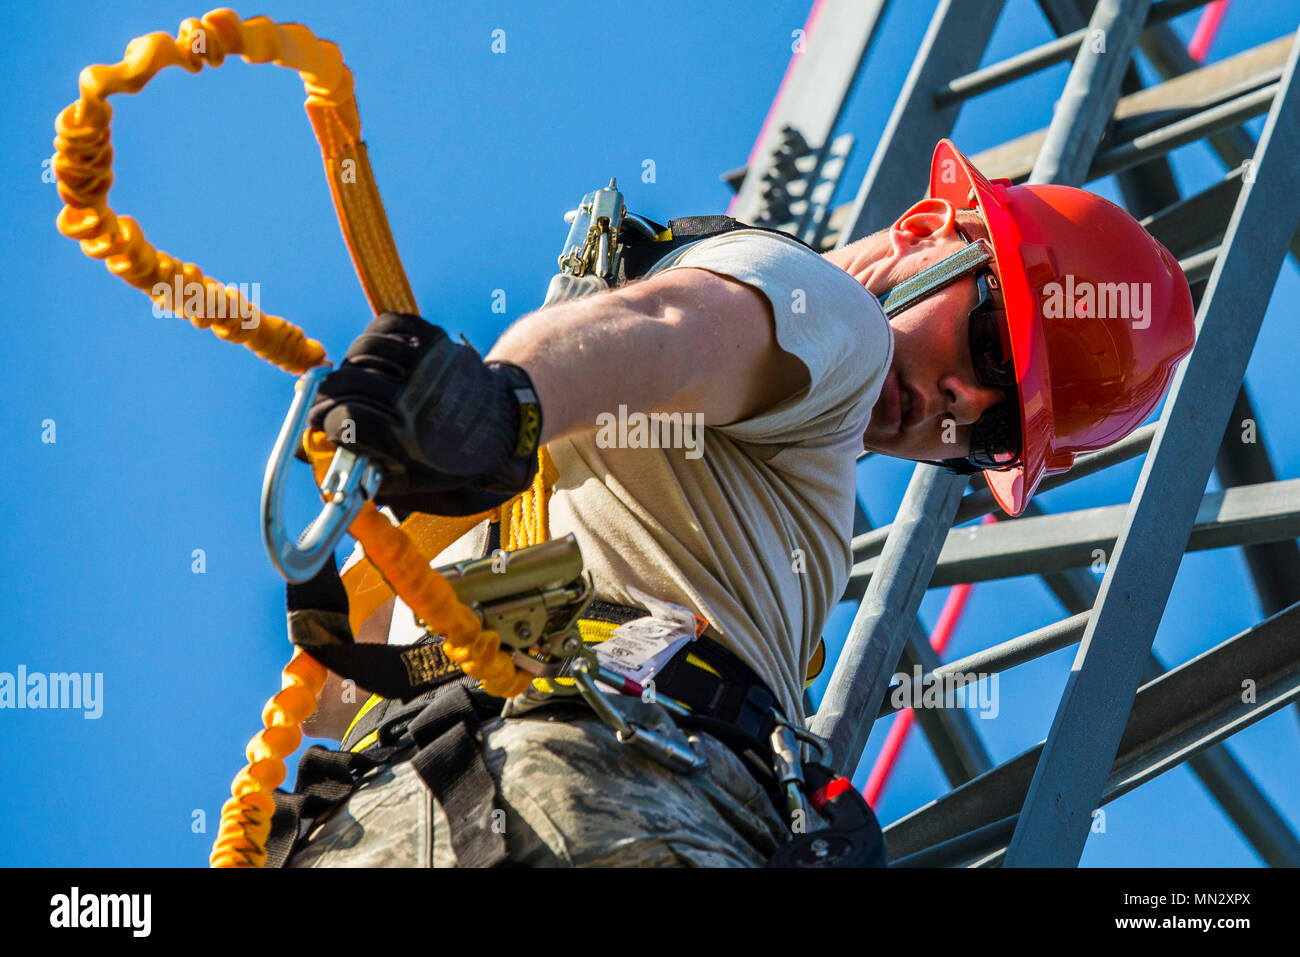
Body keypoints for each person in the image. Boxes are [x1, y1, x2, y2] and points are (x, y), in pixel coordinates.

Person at [282, 139, 1195, 867]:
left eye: (995, 433)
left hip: (383, 811)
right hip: (580, 792)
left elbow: (328, 691)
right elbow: (673, 332)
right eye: (993, 345)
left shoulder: (691, 485)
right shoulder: (839, 319)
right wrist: (503, 408)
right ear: (926, 232)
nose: (963, 401)